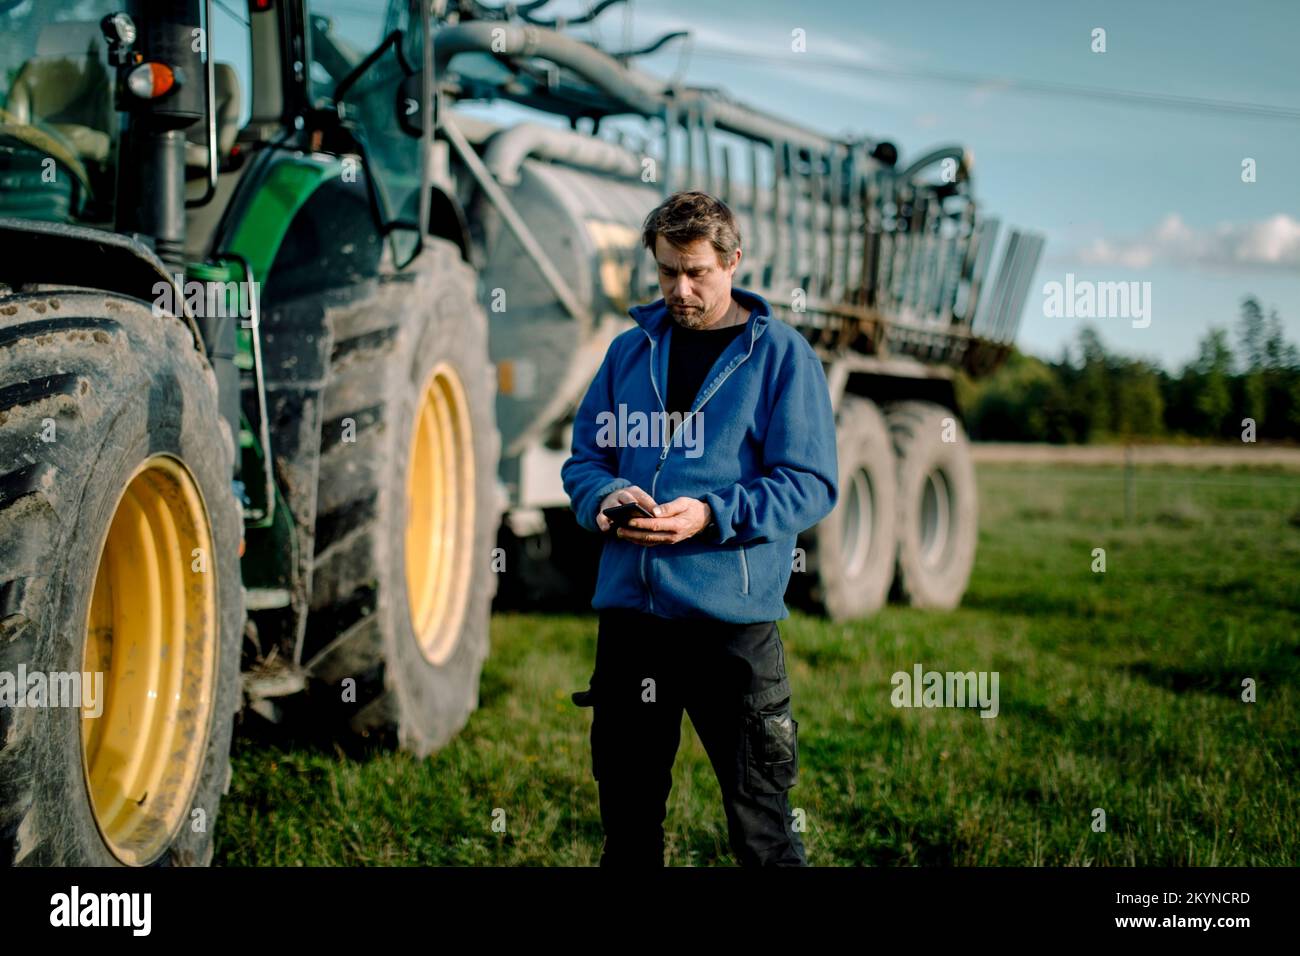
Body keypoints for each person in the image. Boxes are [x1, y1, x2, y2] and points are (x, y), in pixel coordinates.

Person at [561, 190, 840, 867]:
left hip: (731, 628)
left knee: (763, 831)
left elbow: (810, 483)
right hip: (633, 623)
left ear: (733, 261)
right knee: (628, 830)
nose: (680, 290)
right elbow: (584, 461)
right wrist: (602, 497)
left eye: (697, 272)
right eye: (666, 272)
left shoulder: (781, 357)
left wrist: (713, 514)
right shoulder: (628, 353)